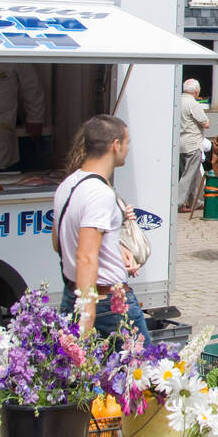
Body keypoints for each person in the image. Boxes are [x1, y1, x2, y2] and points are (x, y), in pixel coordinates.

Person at [52, 115, 151, 344]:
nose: (127, 148)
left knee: (86, 377)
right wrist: (87, 317)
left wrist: (115, 252)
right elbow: (85, 255)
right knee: (148, 374)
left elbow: (59, 243)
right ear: (115, 145)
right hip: (107, 302)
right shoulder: (99, 193)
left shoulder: (67, 185)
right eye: (126, 142)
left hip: (73, 293)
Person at [177, 79, 209, 213]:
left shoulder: (177, 100)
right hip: (192, 143)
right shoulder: (192, 103)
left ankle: (194, 201)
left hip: (180, 143)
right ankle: (178, 202)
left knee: (194, 174)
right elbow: (205, 123)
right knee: (189, 175)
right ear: (197, 91)